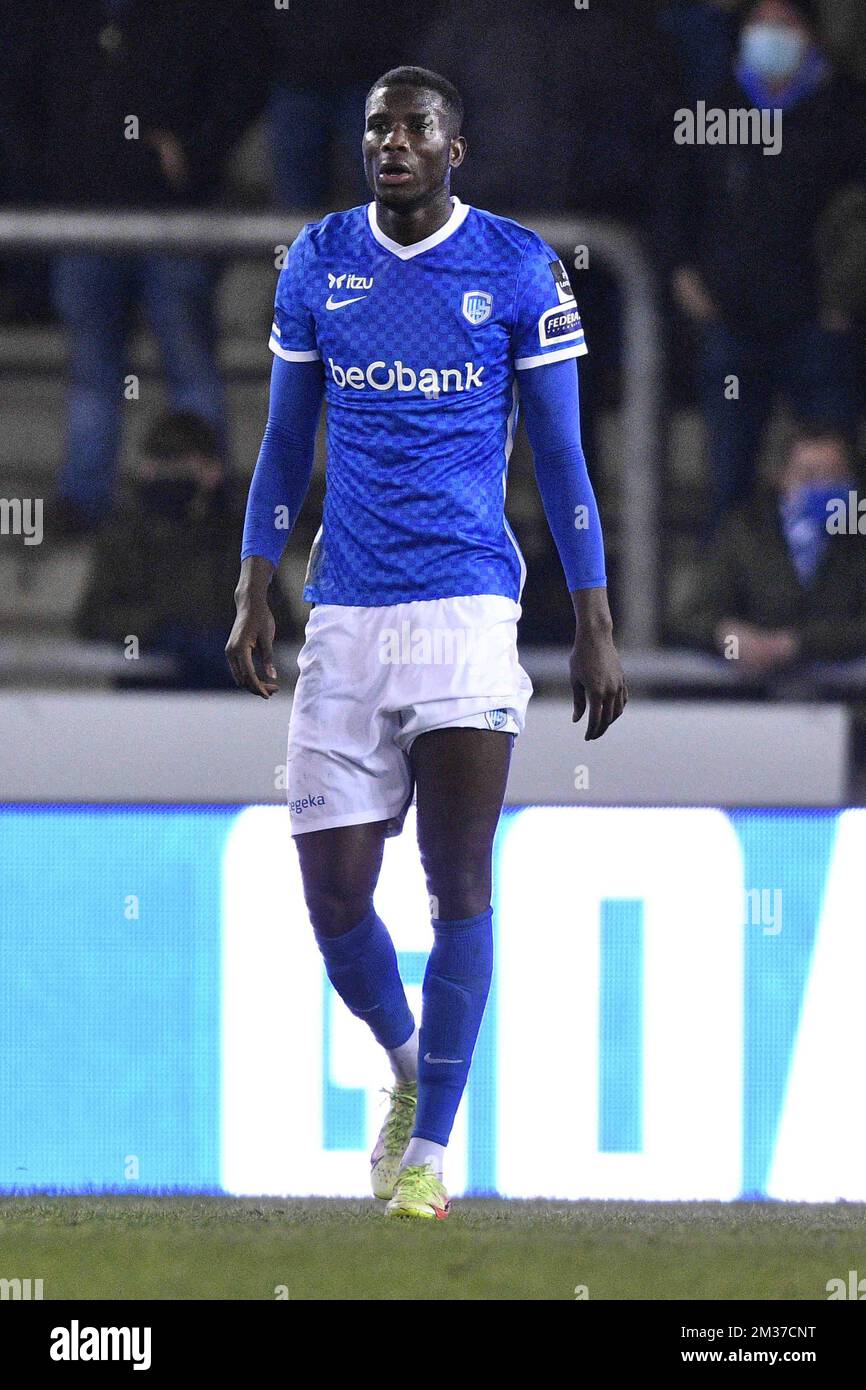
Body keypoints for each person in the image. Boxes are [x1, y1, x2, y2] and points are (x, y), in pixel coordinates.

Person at [226, 67, 626, 1219]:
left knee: (457, 878)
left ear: (457, 147)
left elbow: (558, 456)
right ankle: (407, 1069)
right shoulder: (317, 261)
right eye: (374, 128)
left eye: (414, 127)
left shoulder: (513, 266)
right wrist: (257, 583)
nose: (390, 143)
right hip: (343, 613)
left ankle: (432, 1157)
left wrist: (593, 621)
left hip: (463, 613)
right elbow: (284, 435)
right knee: (336, 899)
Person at [10, 0, 269, 533]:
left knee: (188, 365)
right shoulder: (57, 16)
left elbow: (247, 74)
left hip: (174, 221)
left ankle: (209, 500)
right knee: (93, 371)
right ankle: (83, 502)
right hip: (83, 221)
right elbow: (22, 97)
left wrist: (194, 153)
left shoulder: (198, 15)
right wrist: (53, 175)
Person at [667, 0, 866, 525]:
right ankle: (722, 603)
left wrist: (844, 302)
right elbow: (680, 194)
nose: (771, 36)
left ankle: (832, 602)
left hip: (819, 327)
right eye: (761, 23)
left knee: (832, 474)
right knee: (727, 479)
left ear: (811, 33)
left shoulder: (846, 109)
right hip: (732, 322)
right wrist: (685, 269)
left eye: (785, 24)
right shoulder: (714, 106)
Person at [78, 411, 296, 689]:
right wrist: (159, 629)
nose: (170, 478)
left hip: (229, 693)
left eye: (184, 467)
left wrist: (224, 634)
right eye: (161, 466)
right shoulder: (124, 535)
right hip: (145, 692)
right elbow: (94, 617)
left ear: (213, 472)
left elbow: (279, 620)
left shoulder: (240, 537)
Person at [679, 424, 866, 668]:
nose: (823, 486)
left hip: (849, 696)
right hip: (752, 695)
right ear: (782, 477)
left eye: (835, 476)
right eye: (809, 475)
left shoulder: (859, 537)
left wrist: (799, 644)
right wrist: (728, 635)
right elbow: (693, 616)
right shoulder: (744, 531)